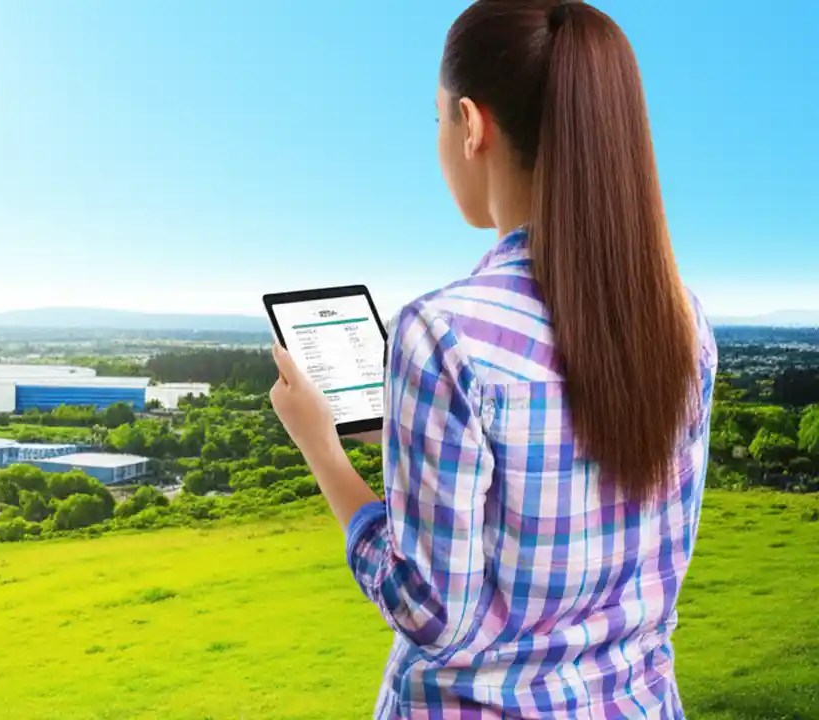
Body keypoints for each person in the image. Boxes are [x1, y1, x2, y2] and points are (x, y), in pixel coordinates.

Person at [269, 1, 717, 717]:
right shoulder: (681, 320)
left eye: (437, 118)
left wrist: (323, 449)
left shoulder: (443, 335)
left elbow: (432, 616)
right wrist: (410, 442)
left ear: (471, 125)